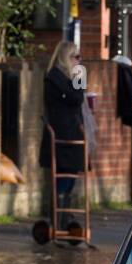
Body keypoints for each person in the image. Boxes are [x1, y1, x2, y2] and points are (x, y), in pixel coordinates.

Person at [39, 40, 86, 227]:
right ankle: (57, 216)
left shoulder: (73, 76)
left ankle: (65, 214)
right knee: (63, 173)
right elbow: (74, 98)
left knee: (72, 174)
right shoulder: (54, 78)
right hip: (60, 133)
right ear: (66, 57)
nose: (79, 61)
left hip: (74, 132)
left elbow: (79, 98)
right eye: (76, 57)